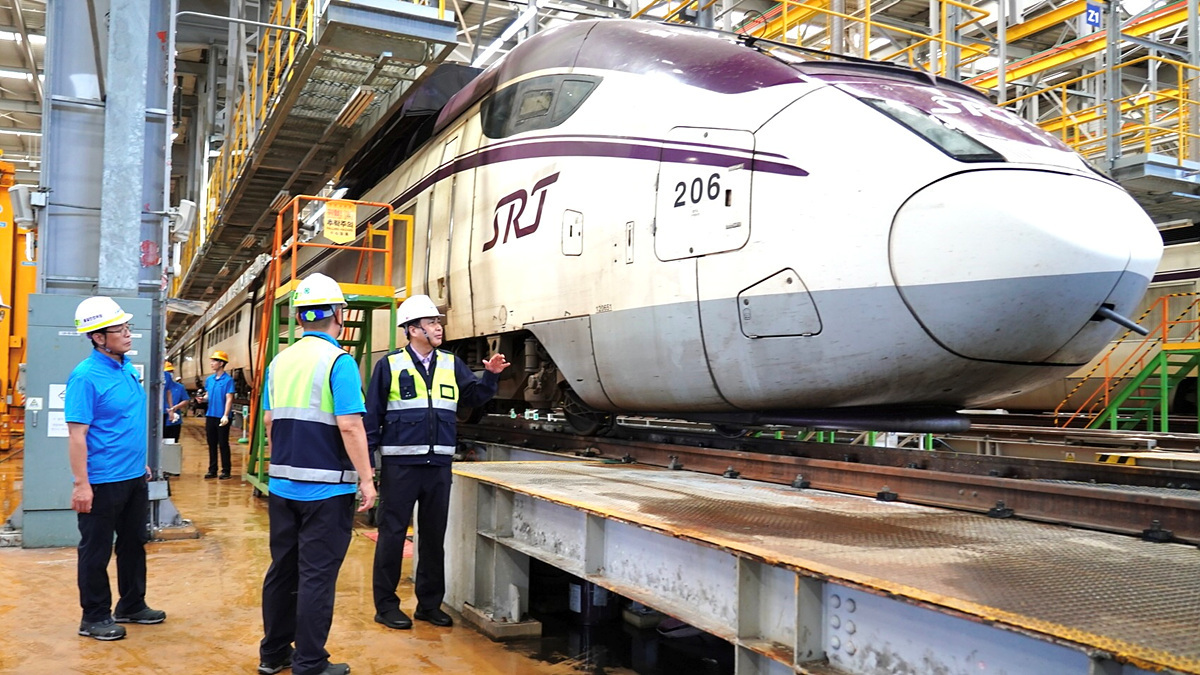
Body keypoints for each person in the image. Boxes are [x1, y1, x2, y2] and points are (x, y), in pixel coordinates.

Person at [366, 294, 510, 630]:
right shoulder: (389, 365)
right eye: (431, 322)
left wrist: (489, 377)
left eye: (438, 321)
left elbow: (472, 397)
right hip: (400, 467)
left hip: (438, 466)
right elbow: (372, 417)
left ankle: (429, 605)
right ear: (413, 329)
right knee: (391, 534)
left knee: (433, 537)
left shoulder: (451, 363)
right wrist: (367, 470)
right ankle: (386, 606)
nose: (438, 327)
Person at [258, 273, 377, 675]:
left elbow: (271, 422)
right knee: (316, 577)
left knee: (282, 570)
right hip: (325, 492)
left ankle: (273, 654)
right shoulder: (339, 362)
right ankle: (309, 662)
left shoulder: (280, 361)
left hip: (282, 486)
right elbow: (350, 426)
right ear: (338, 315)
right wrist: (367, 478)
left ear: (300, 318)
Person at [65, 296, 166, 641]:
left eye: (127, 327)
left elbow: (126, 422)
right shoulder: (85, 377)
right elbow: (77, 435)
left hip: (134, 476)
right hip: (102, 480)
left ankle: (132, 605)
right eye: (119, 329)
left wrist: (142, 463)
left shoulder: (124, 369)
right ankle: (93, 617)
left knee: (133, 543)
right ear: (97, 337)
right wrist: (82, 484)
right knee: (95, 549)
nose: (128, 334)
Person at [204, 349, 236, 479]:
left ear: (221, 363)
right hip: (210, 415)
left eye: (214, 361)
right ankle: (212, 470)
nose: (211, 363)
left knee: (223, 444)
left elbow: (229, 398)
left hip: (222, 417)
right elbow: (208, 395)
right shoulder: (209, 379)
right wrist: (203, 399)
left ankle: (226, 471)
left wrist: (226, 415)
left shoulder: (228, 380)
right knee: (211, 443)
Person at [162, 362, 188, 443]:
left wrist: (175, 408)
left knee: (172, 443)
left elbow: (186, 400)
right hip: (162, 420)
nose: (170, 374)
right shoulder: (160, 387)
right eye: (167, 372)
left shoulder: (179, 387)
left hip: (174, 421)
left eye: (171, 372)